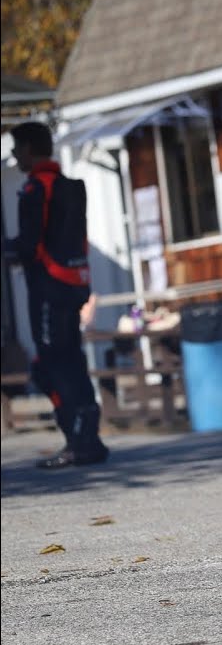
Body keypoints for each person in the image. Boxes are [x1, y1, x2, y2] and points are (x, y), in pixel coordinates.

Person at [6, 121, 108, 468]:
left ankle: (77, 443)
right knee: (72, 361)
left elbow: (28, 246)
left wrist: (8, 250)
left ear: (28, 149)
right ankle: (89, 439)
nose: (14, 155)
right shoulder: (69, 186)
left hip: (48, 287)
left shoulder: (36, 187)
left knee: (51, 365)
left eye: (16, 148)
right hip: (74, 282)